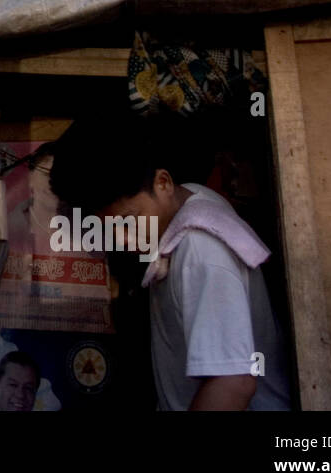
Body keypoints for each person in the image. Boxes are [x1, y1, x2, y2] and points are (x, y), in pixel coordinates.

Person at [48, 113, 290, 411]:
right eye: (110, 228)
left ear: (163, 182)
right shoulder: (192, 199)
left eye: (128, 221)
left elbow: (233, 384)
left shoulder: (201, 251)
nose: (123, 240)